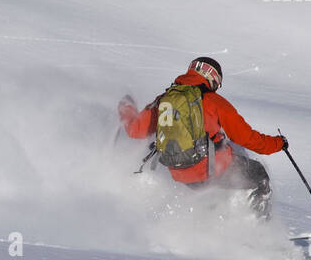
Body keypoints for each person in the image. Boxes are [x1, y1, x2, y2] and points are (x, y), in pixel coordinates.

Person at [117, 57, 287, 218]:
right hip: (213, 171)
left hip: (181, 175)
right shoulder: (213, 101)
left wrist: (126, 106)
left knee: (212, 190)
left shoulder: (164, 99)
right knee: (259, 175)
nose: (217, 87)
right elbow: (248, 138)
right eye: (217, 82)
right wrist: (278, 143)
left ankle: (210, 225)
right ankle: (260, 228)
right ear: (211, 76)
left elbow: (135, 129)